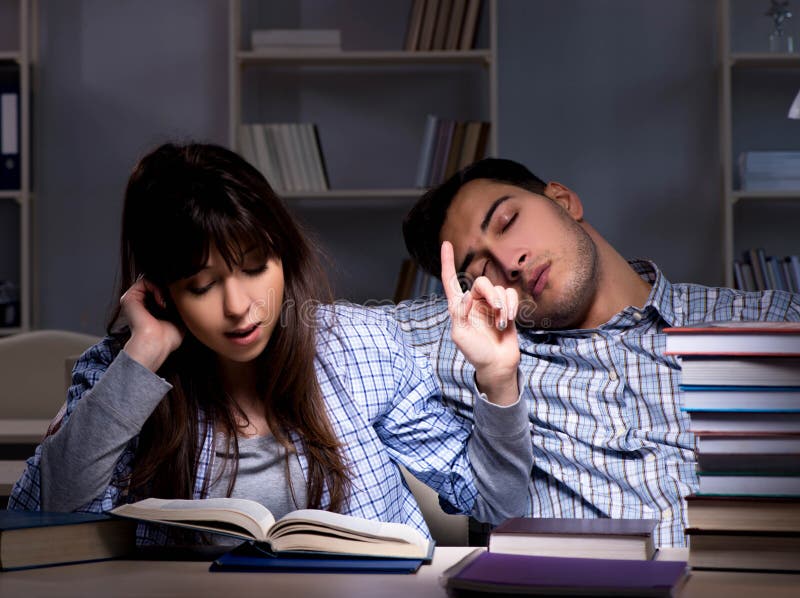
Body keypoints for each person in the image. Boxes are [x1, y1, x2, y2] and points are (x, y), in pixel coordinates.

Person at [8, 144, 533, 546]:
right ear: (163, 293)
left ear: (284, 256)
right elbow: (40, 516)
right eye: (201, 285)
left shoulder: (359, 345)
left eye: (255, 268)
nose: (239, 306)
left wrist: (499, 379)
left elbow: (497, 500)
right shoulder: (120, 372)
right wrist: (144, 353)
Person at [393, 157, 800, 547]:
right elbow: (334, 329)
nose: (508, 262)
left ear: (563, 200)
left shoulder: (767, 319)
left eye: (508, 222)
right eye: (481, 270)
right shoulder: (466, 341)